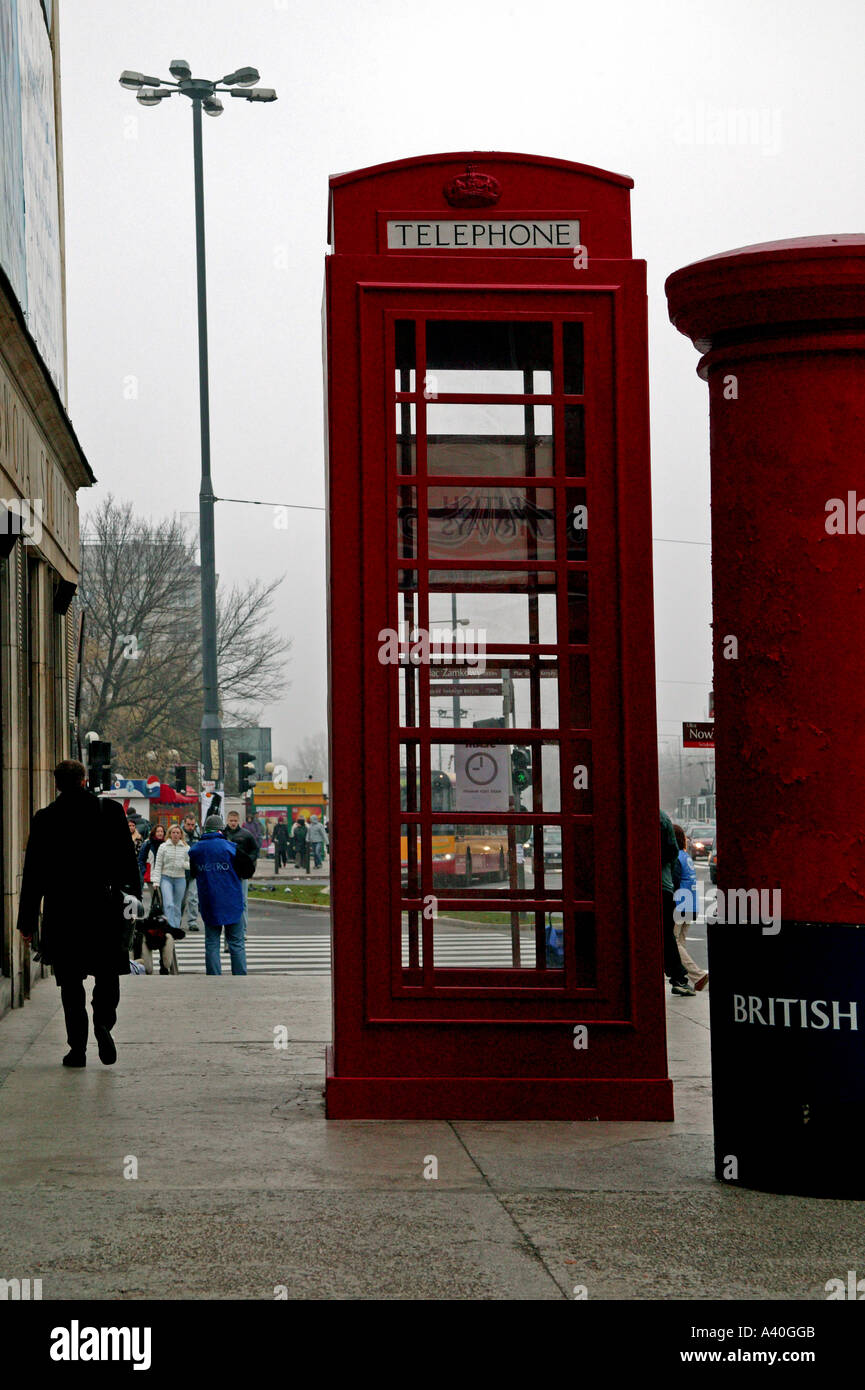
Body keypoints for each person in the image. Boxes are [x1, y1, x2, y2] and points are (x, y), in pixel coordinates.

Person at [16, 759, 141, 1067]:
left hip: (63, 911)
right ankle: (103, 1021)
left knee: (70, 984)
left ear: (56, 784)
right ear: (85, 780)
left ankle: (78, 1049)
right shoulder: (110, 812)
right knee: (108, 973)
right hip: (104, 908)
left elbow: (33, 874)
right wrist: (133, 901)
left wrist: (27, 921)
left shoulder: (45, 819)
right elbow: (128, 864)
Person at [189, 815, 254, 975]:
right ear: (221, 829)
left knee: (212, 942)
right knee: (236, 942)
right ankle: (239, 976)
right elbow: (248, 870)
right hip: (232, 901)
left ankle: (214, 976)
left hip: (209, 901)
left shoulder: (195, 850)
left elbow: (193, 872)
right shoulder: (230, 847)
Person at [660, 809, 694, 996]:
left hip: (635, 887)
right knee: (666, 936)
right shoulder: (662, 818)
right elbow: (672, 852)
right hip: (663, 887)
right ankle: (678, 978)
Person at [672, 824, 708, 991]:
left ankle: (697, 974)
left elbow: (675, 881)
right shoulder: (686, 856)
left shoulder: (676, 858)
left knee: (673, 943)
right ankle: (683, 980)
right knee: (681, 942)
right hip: (691, 903)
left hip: (680, 903)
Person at [224, 809, 259, 944]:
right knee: (227, 901)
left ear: (238, 821)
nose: (233, 823)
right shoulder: (222, 834)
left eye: (235, 821)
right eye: (231, 821)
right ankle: (229, 930)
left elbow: (255, 850)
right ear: (227, 820)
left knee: (243, 901)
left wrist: (248, 861)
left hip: (241, 873)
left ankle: (243, 930)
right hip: (227, 873)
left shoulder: (246, 835)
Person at [152, 822, 190, 935]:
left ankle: (175, 927)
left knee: (177, 905)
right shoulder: (163, 847)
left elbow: (191, 863)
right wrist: (155, 881)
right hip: (166, 877)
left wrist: (184, 864)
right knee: (169, 904)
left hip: (180, 878)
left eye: (177, 833)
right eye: (173, 832)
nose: (175, 835)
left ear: (181, 835)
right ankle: (169, 929)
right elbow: (158, 864)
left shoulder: (186, 847)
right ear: (169, 834)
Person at [180, 812, 201, 932]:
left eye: (193, 825)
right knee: (181, 899)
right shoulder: (179, 834)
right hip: (181, 871)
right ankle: (177, 920)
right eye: (188, 824)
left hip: (194, 871)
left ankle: (192, 921)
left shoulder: (198, 835)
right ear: (184, 823)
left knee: (193, 897)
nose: (191, 827)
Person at [138, 822, 166, 887]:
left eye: (161, 831)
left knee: (163, 896)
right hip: (151, 874)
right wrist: (144, 871)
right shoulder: (147, 844)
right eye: (158, 831)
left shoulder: (167, 844)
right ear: (154, 833)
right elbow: (141, 859)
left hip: (164, 875)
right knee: (154, 896)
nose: (160, 833)